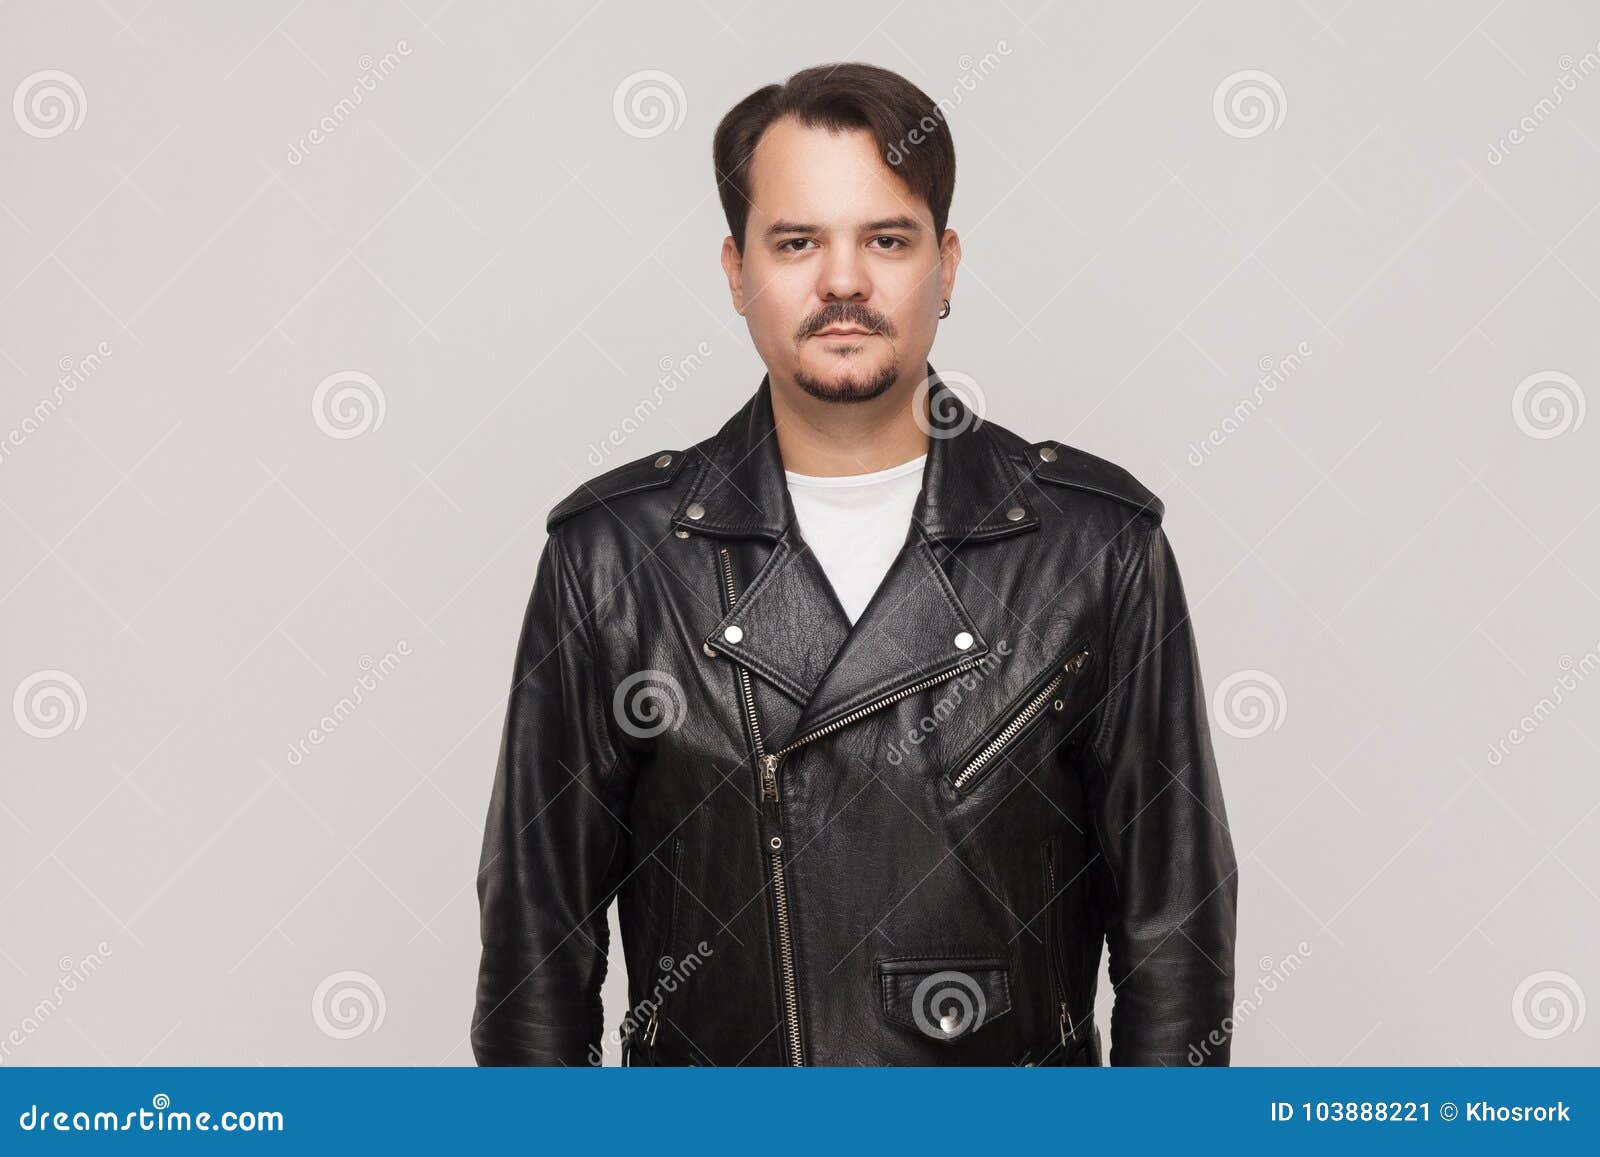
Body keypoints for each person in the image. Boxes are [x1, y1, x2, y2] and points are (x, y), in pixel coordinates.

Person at [472, 61, 1237, 1067]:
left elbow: (1173, 943)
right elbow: (535, 955)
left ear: (946, 264)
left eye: (886, 238)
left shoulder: (1092, 548)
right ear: (737, 271)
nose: (842, 280)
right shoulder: (616, 557)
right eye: (796, 242)